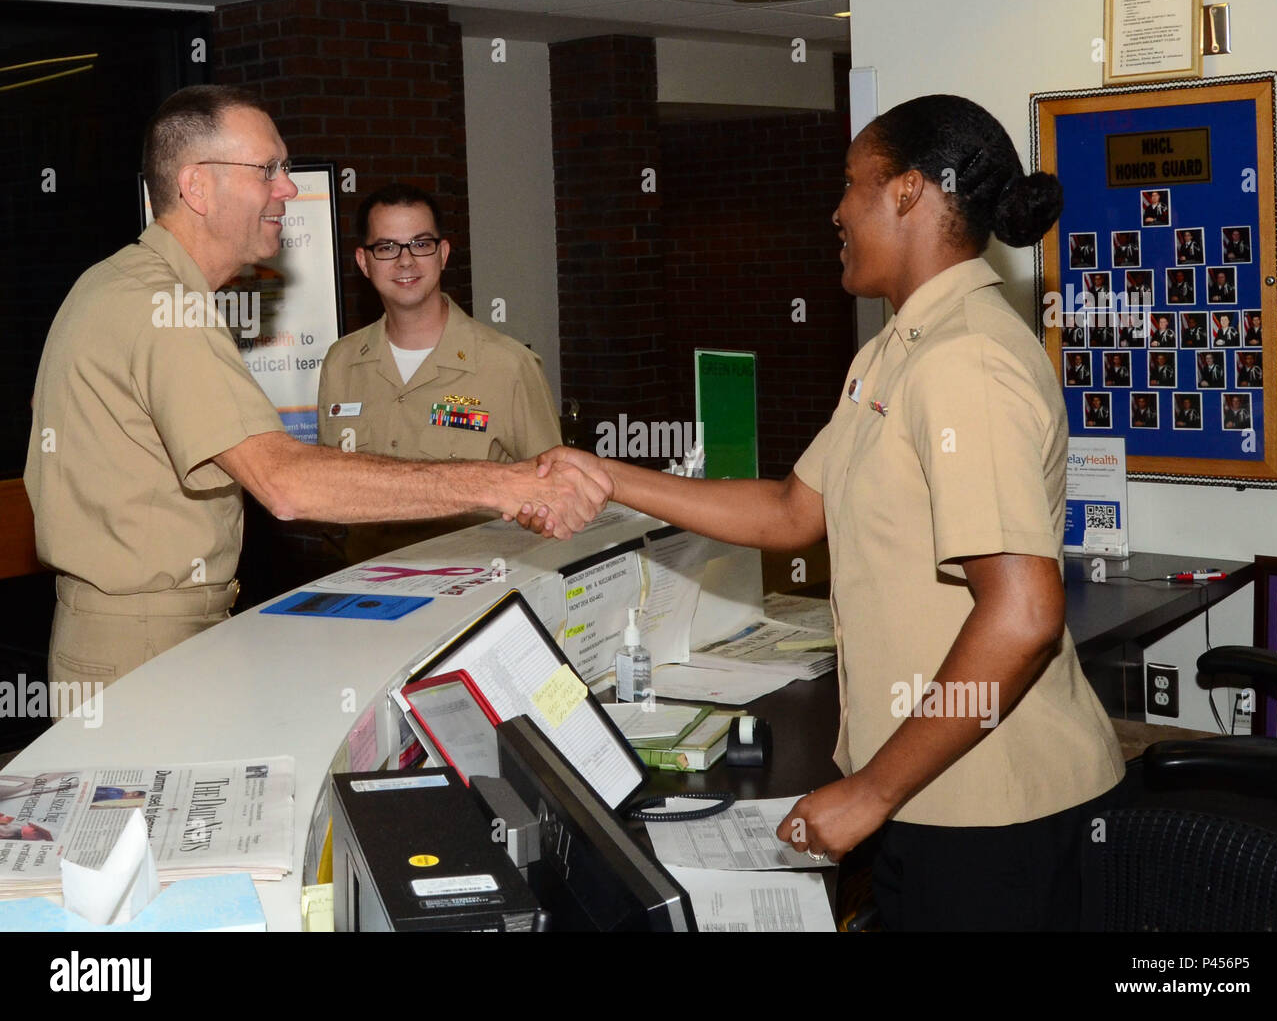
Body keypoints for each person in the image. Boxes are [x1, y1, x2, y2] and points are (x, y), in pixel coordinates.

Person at [529, 95, 1124, 931]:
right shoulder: (891, 351)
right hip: (925, 791)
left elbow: (1023, 615)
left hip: (995, 811)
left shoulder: (966, 362)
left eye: (852, 184)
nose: (836, 210)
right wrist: (606, 476)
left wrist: (869, 791)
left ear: (910, 191)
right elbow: (786, 511)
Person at [24, 86, 608, 690]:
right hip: (145, 642)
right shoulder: (163, 305)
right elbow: (285, 483)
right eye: (268, 170)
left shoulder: (117, 282)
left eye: (286, 169)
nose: (288, 189)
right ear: (197, 187)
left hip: (130, 631)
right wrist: (505, 483)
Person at [316, 183, 563, 560]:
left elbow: (551, 494)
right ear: (364, 262)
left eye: (420, 244)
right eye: (386, 247)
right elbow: (330, 495)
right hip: (368, 591)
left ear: (443, 254)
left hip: (476, 590)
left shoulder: (507, 365)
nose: (405, 261)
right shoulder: (341, 362)